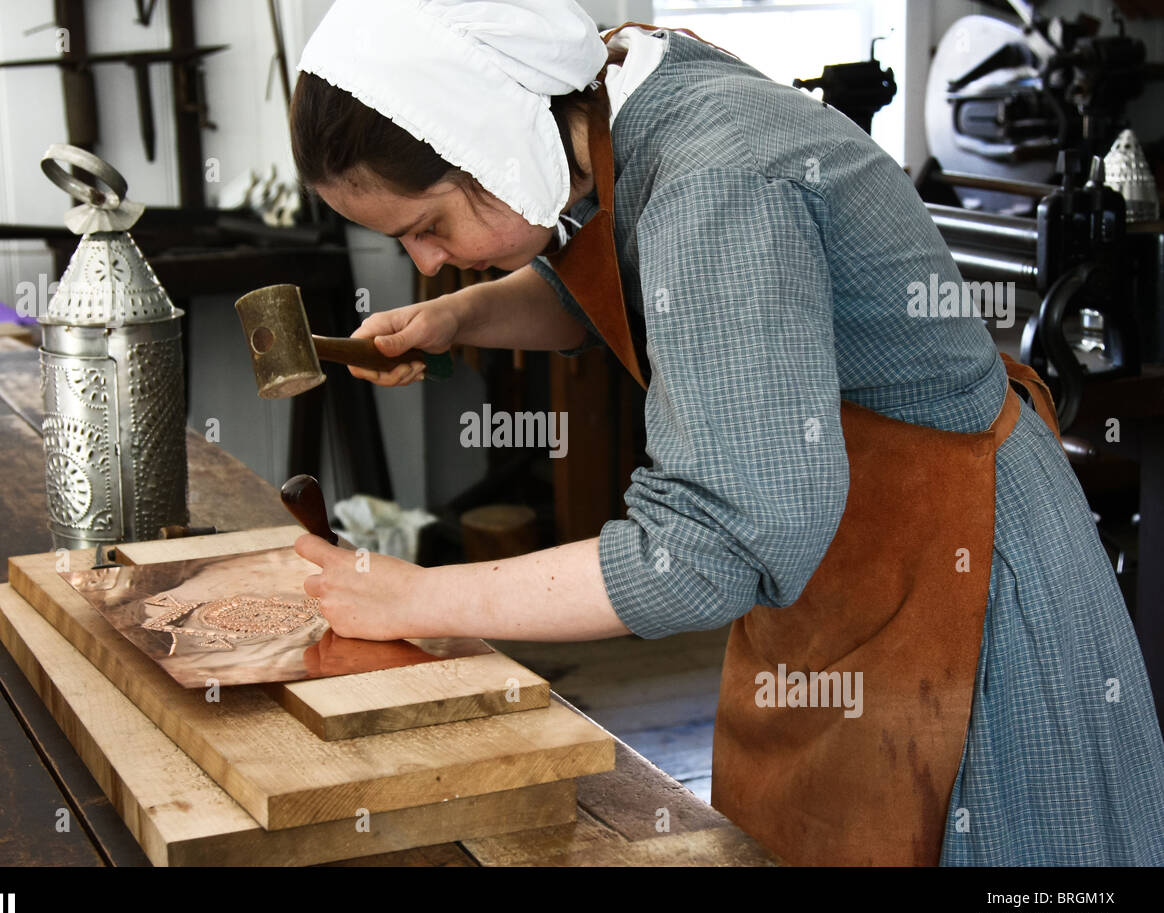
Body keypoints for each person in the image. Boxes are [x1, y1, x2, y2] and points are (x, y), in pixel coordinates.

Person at [287, 0, 1164, 865]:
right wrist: (462, 317)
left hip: (968, 573)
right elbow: (624, 279)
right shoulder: (615, 92)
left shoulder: (716, 180)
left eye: (427, 228)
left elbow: (703, 549)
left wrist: (418, 597)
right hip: (853, 552)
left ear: (493, 141)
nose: (426, 263)